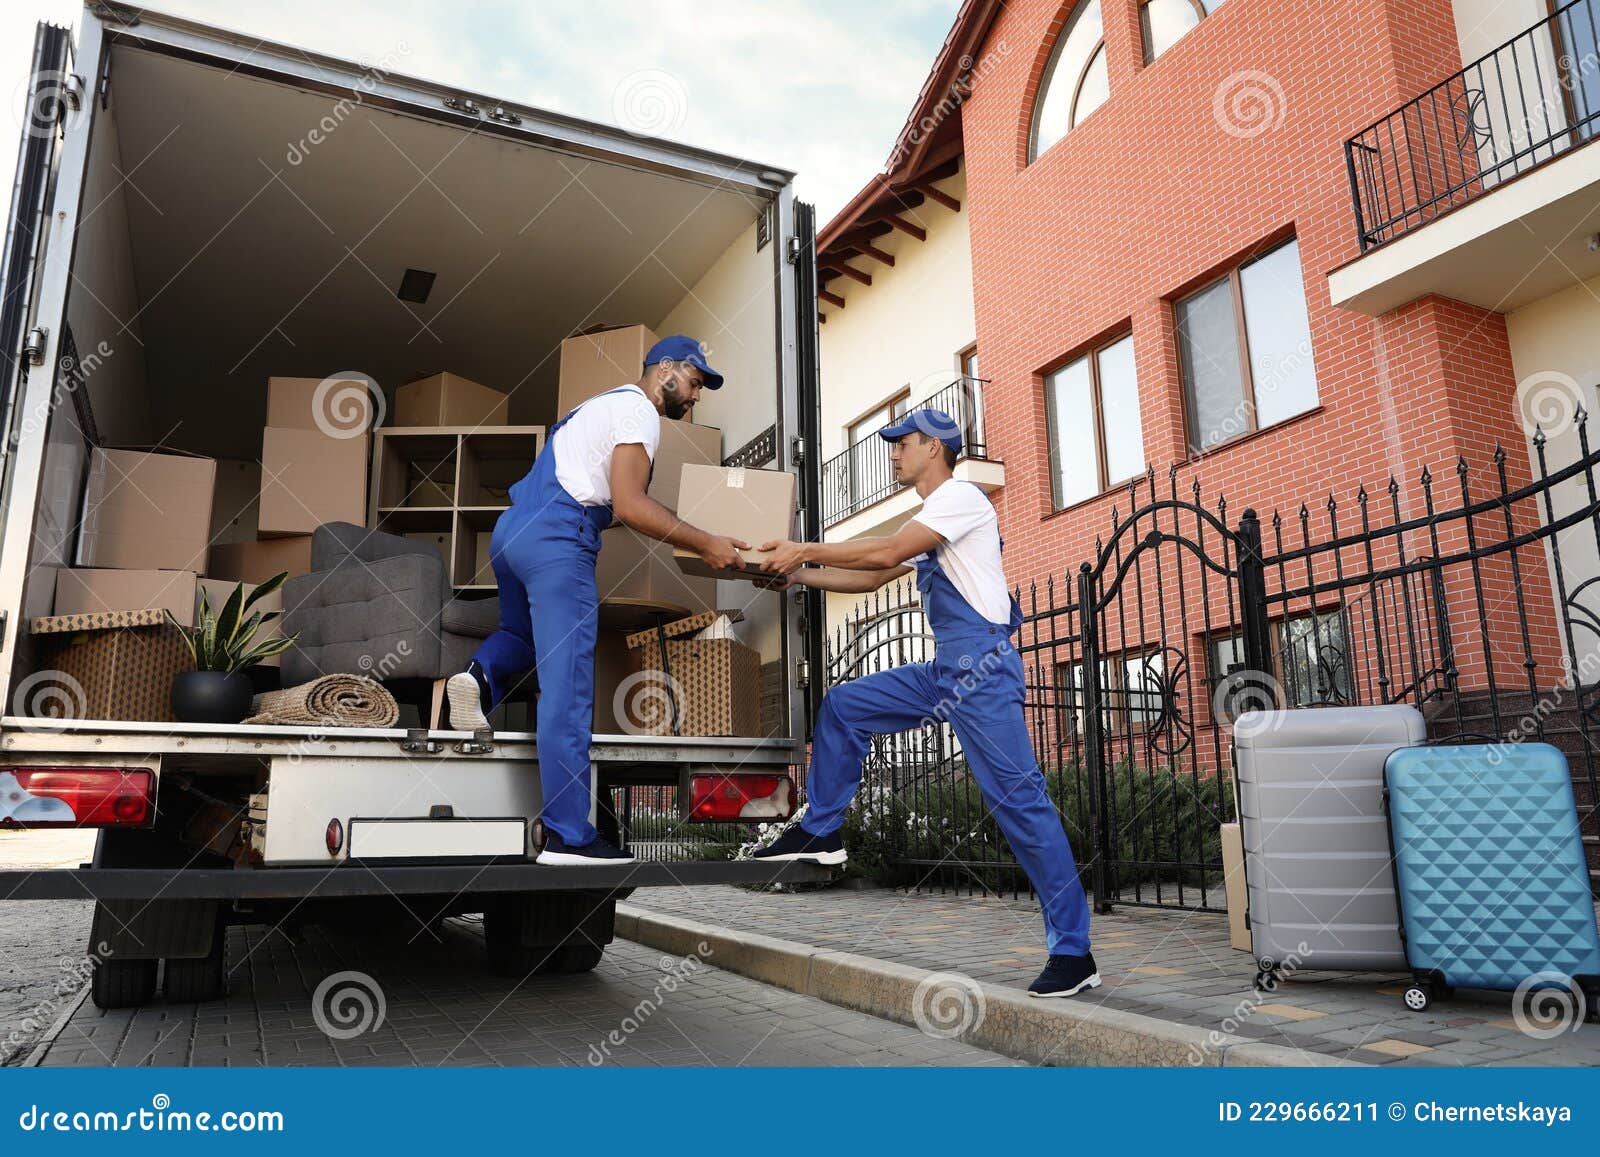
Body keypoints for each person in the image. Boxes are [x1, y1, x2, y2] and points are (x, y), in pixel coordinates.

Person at [752, 408, 1098, 998]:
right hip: (947, 670)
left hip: (983, 670)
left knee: (1021, 806)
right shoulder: (932, 517)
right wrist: (800, 576)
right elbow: (871, 577)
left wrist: (799, 549)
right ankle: (821, 830)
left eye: (900, 443)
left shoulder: (962, 497)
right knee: (844, 706)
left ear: (935, 448)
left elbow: (884, 555)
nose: (892, 453)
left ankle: (1074, 952)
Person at [444, 336, 749, 866]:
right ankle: (568, 836)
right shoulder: (639, 411)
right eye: (695, 383)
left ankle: (477, 678)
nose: (696, 397)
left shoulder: (595, 405)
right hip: (558, 541)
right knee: (568, 686)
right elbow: (630, 504)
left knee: (521, 637)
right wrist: (706, 542)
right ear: (666, 372)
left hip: (511, 533)